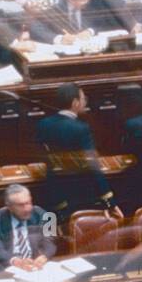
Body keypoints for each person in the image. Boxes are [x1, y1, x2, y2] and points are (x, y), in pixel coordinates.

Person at [34, 83, 121, 221]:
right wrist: (109, 201)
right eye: (83, 98)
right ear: (75, 103)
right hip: (80, 193)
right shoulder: (81, 129)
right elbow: (93, 166)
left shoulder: (43, 124)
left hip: (54, 188)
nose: (85, 102)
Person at [0, 184, 57, 267]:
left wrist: (45, 256)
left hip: (36, 265)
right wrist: (16, 262)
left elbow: (51, 241)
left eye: (28, 203)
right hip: (10, 267)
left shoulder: (44, 215)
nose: (26, 209)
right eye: (20, 205)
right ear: (9, 207)